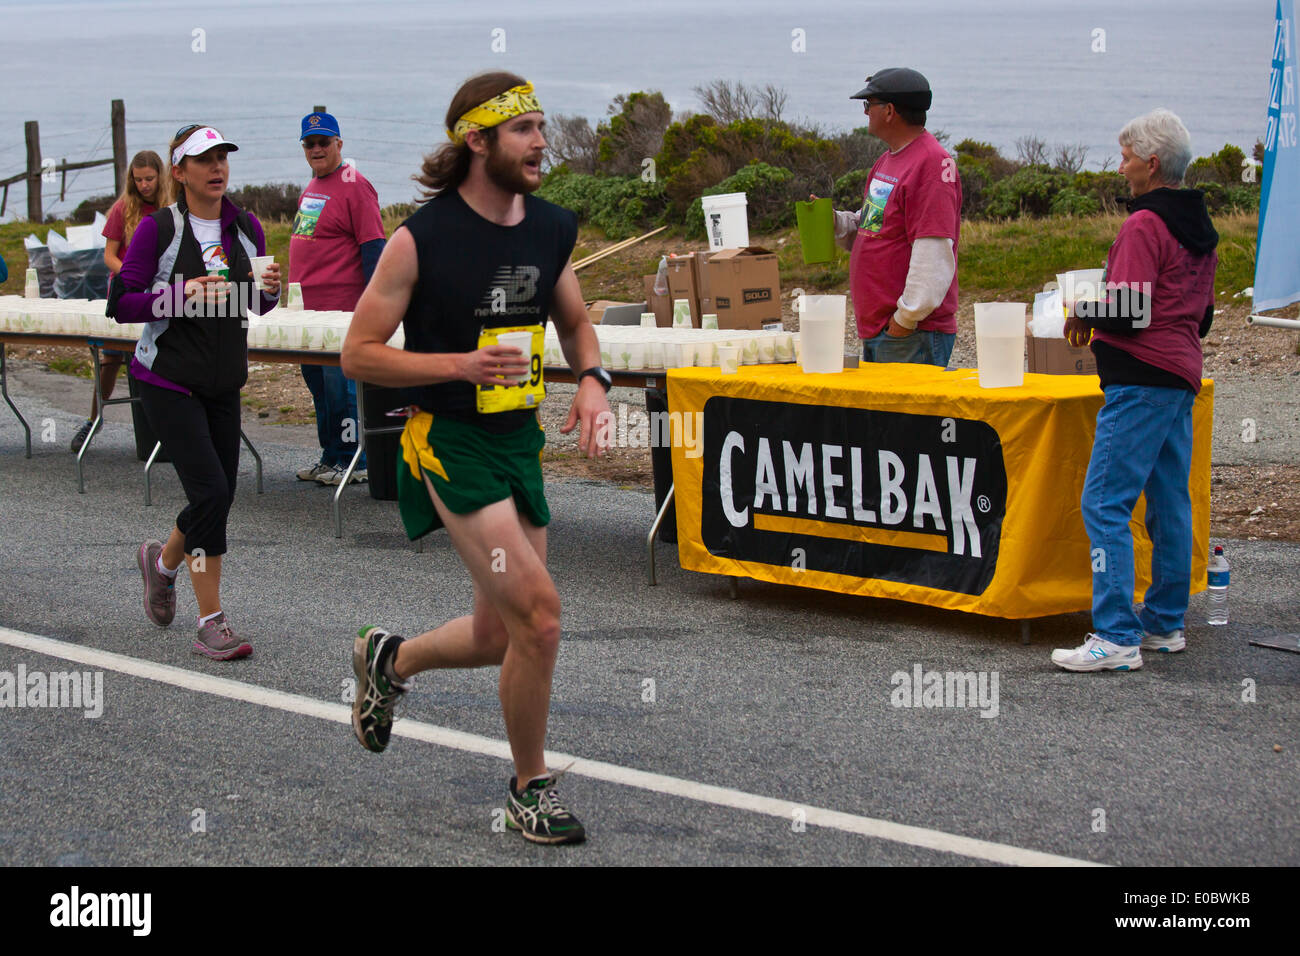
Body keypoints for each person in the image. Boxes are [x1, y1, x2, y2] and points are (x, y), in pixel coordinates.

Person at [341, 72, 611, 845]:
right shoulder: (419, 240)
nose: (541, 142)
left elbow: (578, 323)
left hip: (518, 443)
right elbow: (357, 355)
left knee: (500, 635)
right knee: (542, 617)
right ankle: (530, 787)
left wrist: (591, 382)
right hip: (450, 444)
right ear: (477, 140)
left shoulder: (551, 228)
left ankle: (388, 661)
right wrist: (457, 366)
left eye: (542, 126)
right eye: (523, 129)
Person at [1052, 108, 1218, 672]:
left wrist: (1081, 309)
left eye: (1125, 157)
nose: (1120, 167)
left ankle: (1116, 634)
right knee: (1169, 497)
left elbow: (1132, 308)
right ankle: (1165, 622)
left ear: (1151, 163)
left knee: (1104, 501)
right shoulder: (1201, 229)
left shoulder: (1144, 225)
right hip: (1180, 373)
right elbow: (1206, 316)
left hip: (1141, 377)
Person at [108, 124, 281, 661]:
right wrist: (180, 295)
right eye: (203, 159)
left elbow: (256, 304)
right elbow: (122, 301)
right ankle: (211, 622)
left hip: (222, 382)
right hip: (166, 380)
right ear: (178, 172)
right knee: (210, 495)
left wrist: (270, 291)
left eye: (223, 158)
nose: (217, 168)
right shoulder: (159, 230)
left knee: (219, 495)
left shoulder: (245, 226)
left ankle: (161, 565)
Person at [825, 68, 962, 367]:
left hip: (909, 333)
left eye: (867, 105)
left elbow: (934, 250)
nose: (865, 113)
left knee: (907, 416)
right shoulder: (888, 159)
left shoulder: (931, 164)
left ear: (889, 111)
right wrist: (832, 222)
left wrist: (905, 319)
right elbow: (872, 225)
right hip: (885, 330)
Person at [290, 111, 386, 486]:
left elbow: (374, 247)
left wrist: (372, 306)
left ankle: (352, 460)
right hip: (308, 309)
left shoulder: (355, 185)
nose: (317, 149)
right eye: (310, 144)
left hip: (341, 309)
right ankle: (331, 455)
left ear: (339, 145)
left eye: (324, 142)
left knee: (339, 387)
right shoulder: (314, 185)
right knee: (317, 384)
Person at [71, 151, 170, 453]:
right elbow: (109, 256)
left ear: (160, 177)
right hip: (128, 291)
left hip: (162, 291)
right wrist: (132, 277)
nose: (144, 185)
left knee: (164, 356)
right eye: (138, 180)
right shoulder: (122, 208)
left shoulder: (171, 206)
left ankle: (170, 427)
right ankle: (93, 418)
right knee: (111, 359)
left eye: (149, 179)